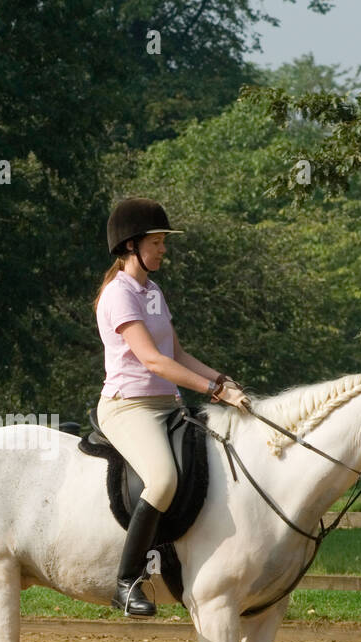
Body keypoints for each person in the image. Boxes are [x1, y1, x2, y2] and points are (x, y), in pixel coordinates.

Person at [94, 197, 248, 617]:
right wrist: (214, 392)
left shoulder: (153, 291)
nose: (164, 249)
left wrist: (222, 380)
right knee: (162, 480)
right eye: (158, 241)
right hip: (129, 408)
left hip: (169, 404)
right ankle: (126, 583)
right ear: (131, 245)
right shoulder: (118, 294)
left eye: (164, 242)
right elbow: (153, 361)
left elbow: (177, 353)